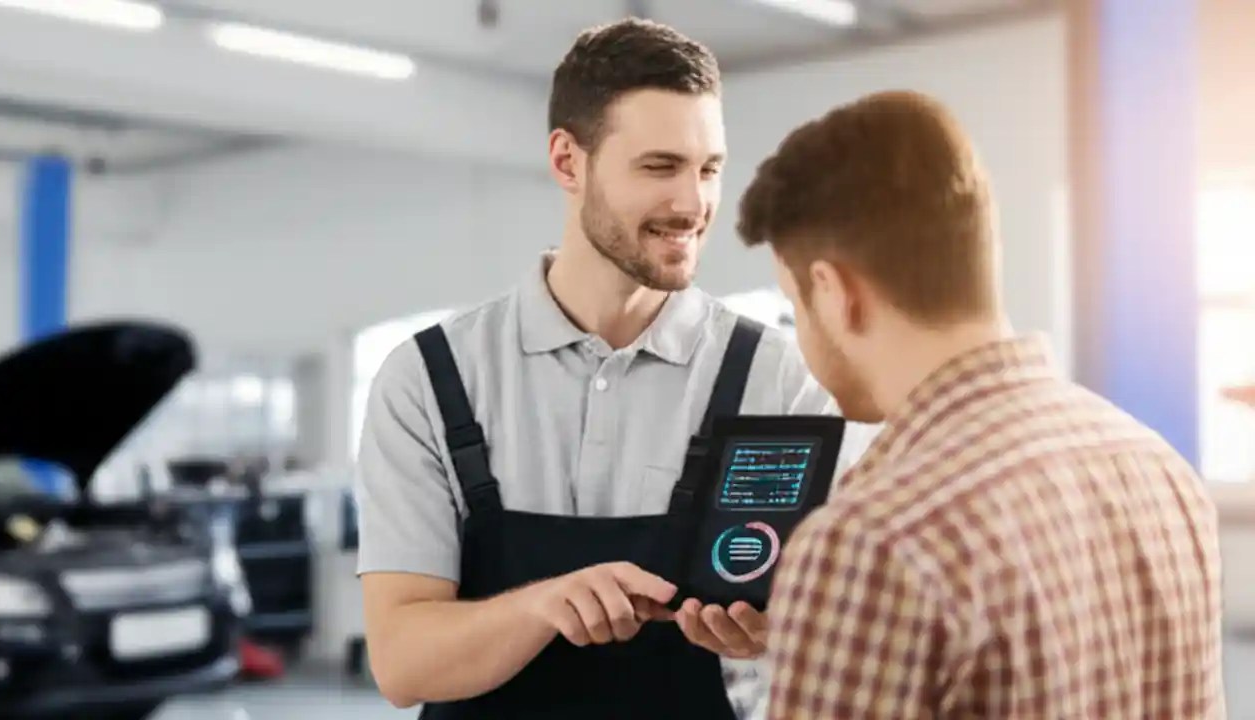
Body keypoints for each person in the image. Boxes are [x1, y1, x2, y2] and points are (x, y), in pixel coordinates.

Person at [354, 19, 869, 719]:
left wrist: (783, 633)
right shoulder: (429, 380)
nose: (693, 204)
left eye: (709, 169)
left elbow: (837, 625)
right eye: (660, 167)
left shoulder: (776, 379)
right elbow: (401, 662)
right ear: (569, 162)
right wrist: (543, 605)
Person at [736, 90, 1226, 718]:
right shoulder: (1159, 469)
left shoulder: (873, 540)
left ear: (835, 295)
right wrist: (823, 635)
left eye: (795, 303)